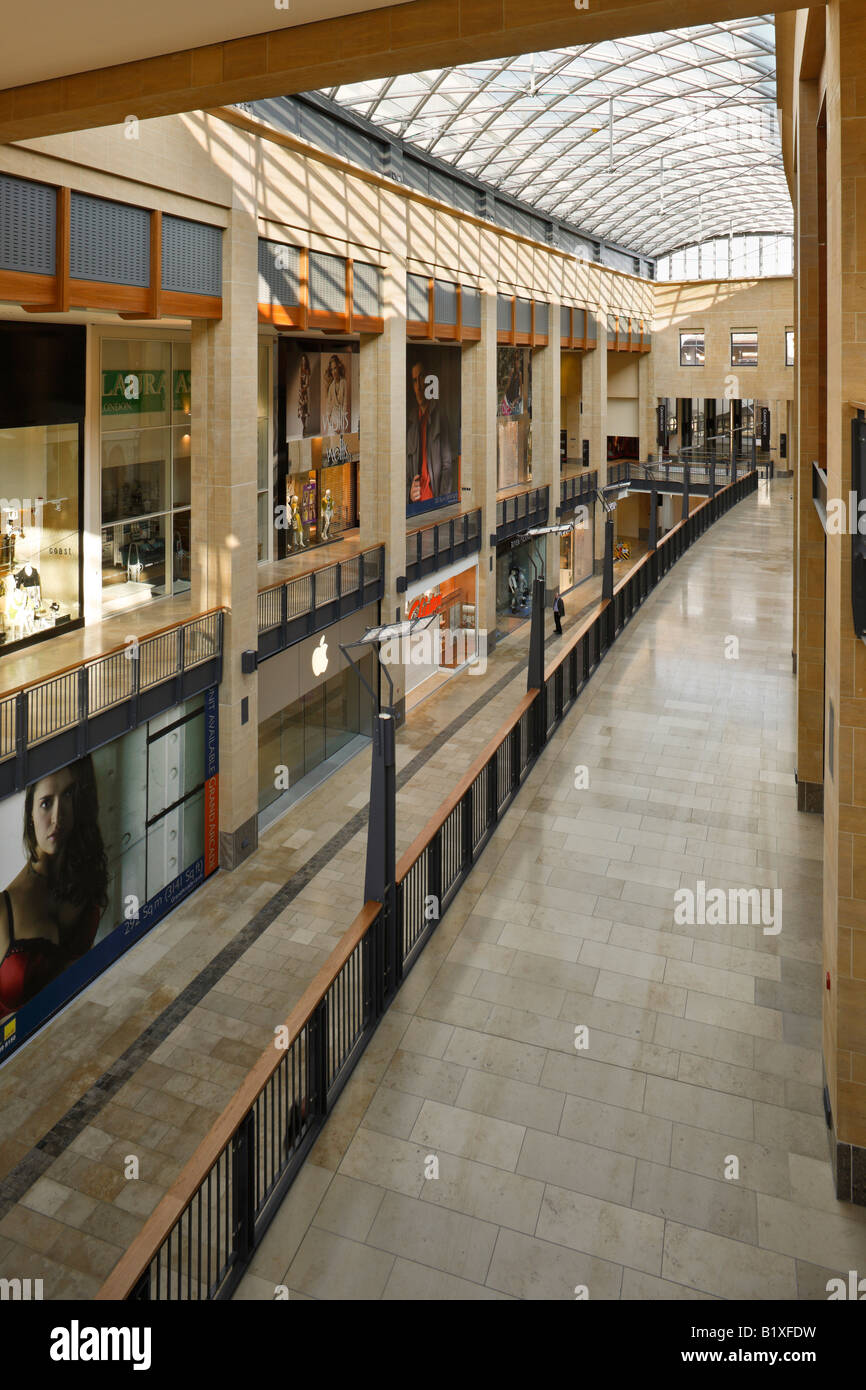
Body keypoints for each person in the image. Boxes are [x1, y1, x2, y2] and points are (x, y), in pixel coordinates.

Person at [0, 757, 108, 1019]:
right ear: (31, 815)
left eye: (68, 795)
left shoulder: (88, 871)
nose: (58, 817)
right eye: (46, 803)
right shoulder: (5, 908)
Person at [407, 357, 453, 506]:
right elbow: (402, 472)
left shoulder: (440, 415)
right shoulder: (410, 422)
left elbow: (447, 466)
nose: (419, 386)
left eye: (421, 378)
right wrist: (408, 492)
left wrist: (442, 504)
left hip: (434, 503)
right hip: (416, 506)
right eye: (415, 381)